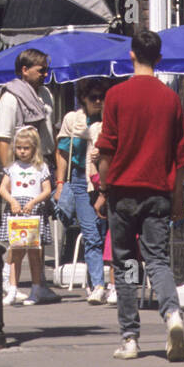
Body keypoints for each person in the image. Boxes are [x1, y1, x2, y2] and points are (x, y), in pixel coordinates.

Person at [94, 29, 184, 362]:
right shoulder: (170, 99)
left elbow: (106, 150)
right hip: (159, 190)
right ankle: (172, 314)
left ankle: (130, 338)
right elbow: (180, 157)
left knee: (124, 264)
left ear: (131, 55)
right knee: (158, 260)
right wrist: (177, 198)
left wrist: (103, 191)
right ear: (159, 59)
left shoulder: (117, 96)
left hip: (123, 190)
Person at [56, 77, 111, 303]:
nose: (98, 101)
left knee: (120, 240)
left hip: (111, 183)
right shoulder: (73, 120)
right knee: (93, 236)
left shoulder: (112, 121)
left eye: (102, 97)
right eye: (93, 98)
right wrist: (60, 184)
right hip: (82, 180)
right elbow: (61, 152)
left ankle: (126, 286)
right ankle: (98, 285)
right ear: (83, 100)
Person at [0, 126, 54, 305]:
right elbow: (2, 188)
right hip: (16, 213)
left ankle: (36, 289)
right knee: (15, 252)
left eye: (26, 148)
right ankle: (13, 288)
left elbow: (47, 189)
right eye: (19, 148)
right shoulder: (11, 167)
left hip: (34, 213)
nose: (22, 152)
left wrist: (34, 202)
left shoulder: (41, 167)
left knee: (34, 254)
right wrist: (12, 201)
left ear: (34, 148)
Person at [0, 48, 55, 167]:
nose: (46, 74)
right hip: (22, 165)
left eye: (46, 70)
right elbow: (2, 140)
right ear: (25, 70)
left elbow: (52, 132)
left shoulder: (46, 93)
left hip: (46, 162)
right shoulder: (10, 97)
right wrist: (10, 174)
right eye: (41, 70)